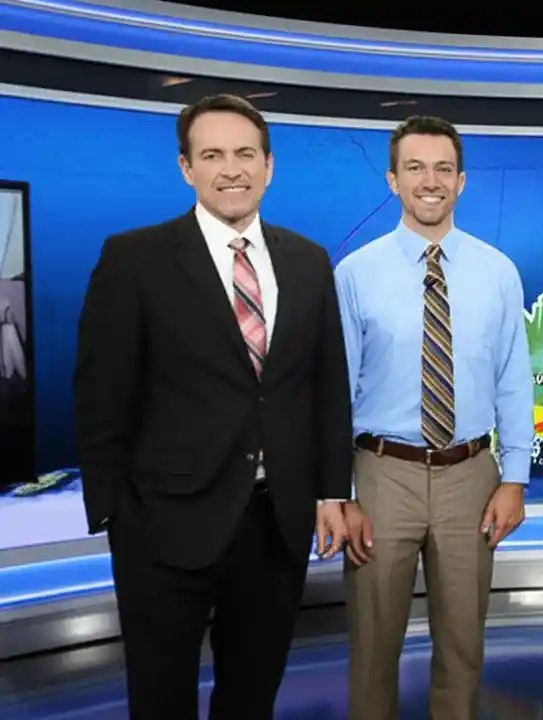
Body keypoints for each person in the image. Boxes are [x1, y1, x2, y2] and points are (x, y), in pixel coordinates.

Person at [73, 93, 353, 720]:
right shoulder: (134, 258)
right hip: (162, 526)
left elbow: (325, 387)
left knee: (251, 696)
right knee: (160, 699)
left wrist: (332, 491)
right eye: (213, 155)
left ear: (269, 165)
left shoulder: (308, 261)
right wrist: (115, 514)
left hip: (275, 524)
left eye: (245, 154)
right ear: (186, 168)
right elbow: (99, 395)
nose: (232, 169)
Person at [335, 115, 534, 720]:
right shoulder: (354, 275)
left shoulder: (497, 272)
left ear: (462, 181)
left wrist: (514, 478)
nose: (430, 181)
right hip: (378, 477)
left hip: (471, 477)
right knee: (372, 648)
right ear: (393, 180)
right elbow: (334, 392)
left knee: (462, 646)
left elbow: (513, 379)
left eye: (443, 169)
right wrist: (339, 493)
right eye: (415, 168)